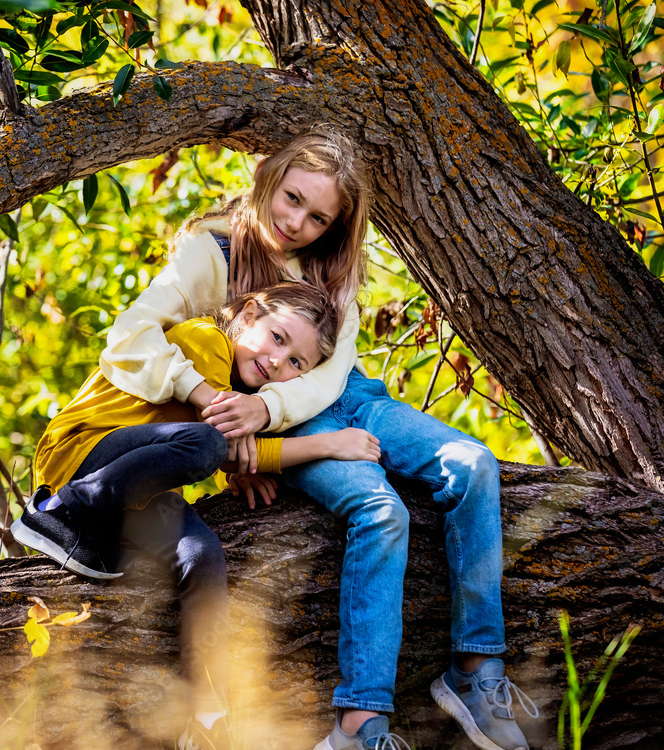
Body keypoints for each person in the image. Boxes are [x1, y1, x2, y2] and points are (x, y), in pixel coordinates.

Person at [95, 128, 538, 750]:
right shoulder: (213, 249)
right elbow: (129, 335)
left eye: (318, 216)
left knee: (474, 463)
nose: (296, 222)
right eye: (291, 198)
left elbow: (332, 374)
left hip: (344, 396)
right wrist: (216, 405)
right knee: (381, 511)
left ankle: (474, 668)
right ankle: (359, 725)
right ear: (270, 178)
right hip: (297, 420)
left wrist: (263, 408)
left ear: (336, 226)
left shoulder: (331, 271)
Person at [13, 283, 382, 749]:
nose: (277, 361)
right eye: (277, 337)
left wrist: (241, 464)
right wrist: (327, 444)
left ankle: (207, 718)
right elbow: (216, 442)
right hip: (84, 455)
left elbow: (222, 447)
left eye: (296, 364)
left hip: (136, 490)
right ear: (248, 315)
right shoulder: (207, 340)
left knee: (202, 555)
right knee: (204, 445)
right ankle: (57, 511)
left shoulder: (237, 387)